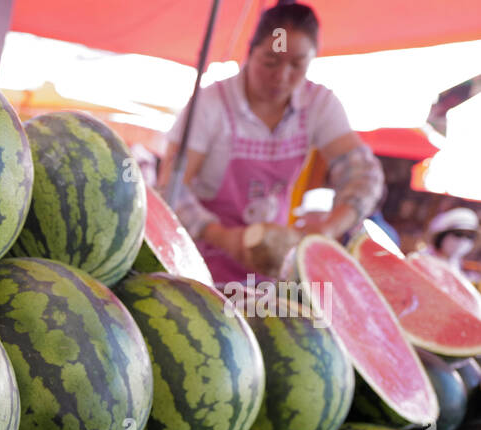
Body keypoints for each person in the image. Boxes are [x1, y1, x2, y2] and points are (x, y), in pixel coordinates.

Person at [160, 2, 385, 285]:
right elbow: (171, 186)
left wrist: (330, 227)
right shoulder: (210, 104)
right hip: (197, 265)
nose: (281, 76)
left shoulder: (319, 104)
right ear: (250, 53)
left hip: (271, 271)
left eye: (297, 65)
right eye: (271, 61)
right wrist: (222, 237)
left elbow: (364, 175)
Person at [424, 207, 478, 280]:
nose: (463, 240)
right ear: (442, 236)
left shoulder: (456, 263)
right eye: (458, 234)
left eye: (469, 236)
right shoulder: (423, 259)